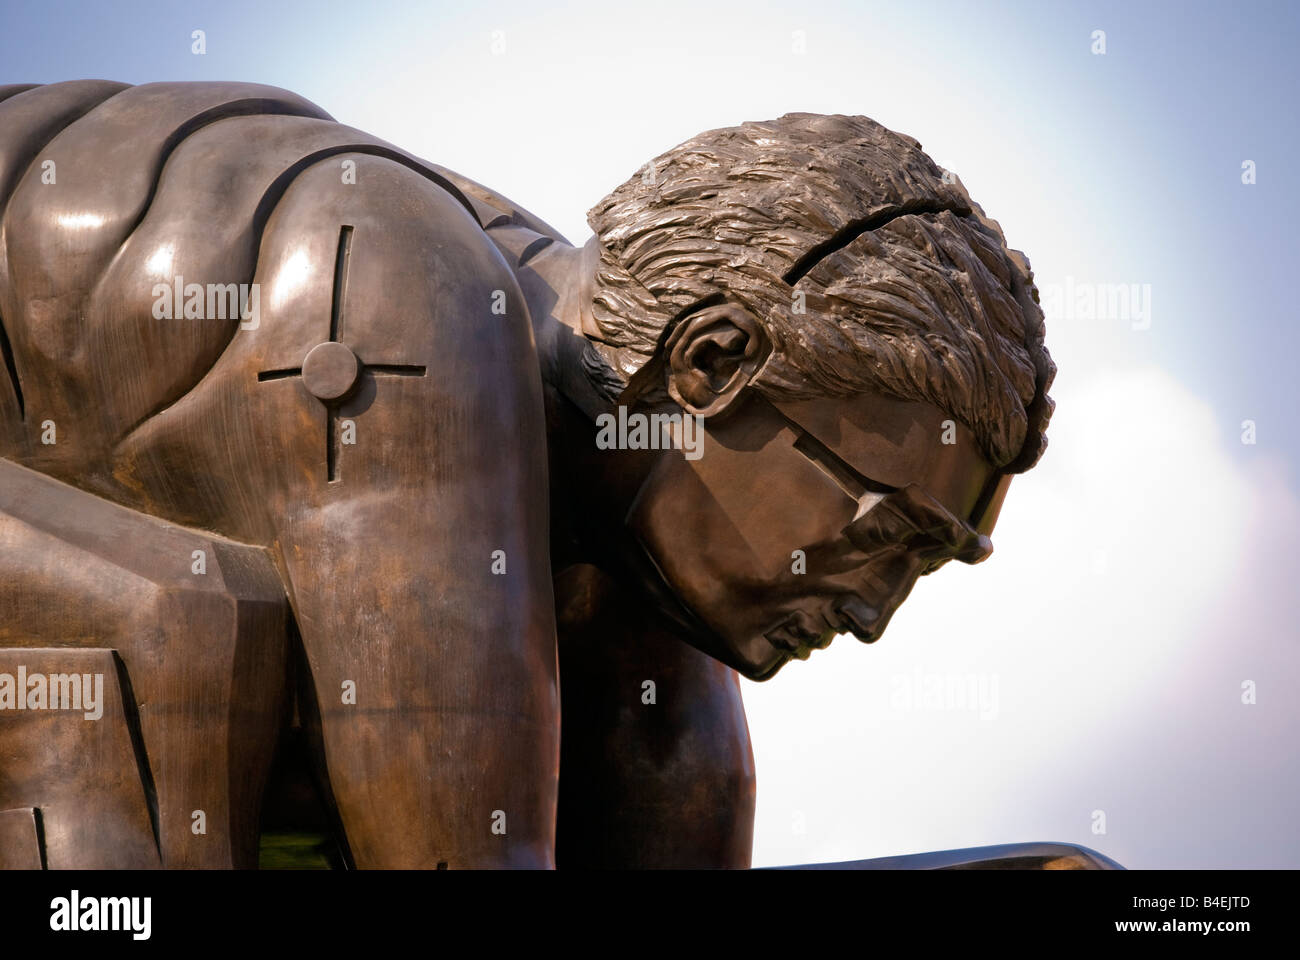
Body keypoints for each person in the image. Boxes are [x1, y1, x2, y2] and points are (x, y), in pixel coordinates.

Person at [0, 81, 1053, 868]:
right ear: (712, 362)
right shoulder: (407, 310)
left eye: (921, 563)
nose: (874, 614)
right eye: (877, 533)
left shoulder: (627, 472)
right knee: (169, 642)